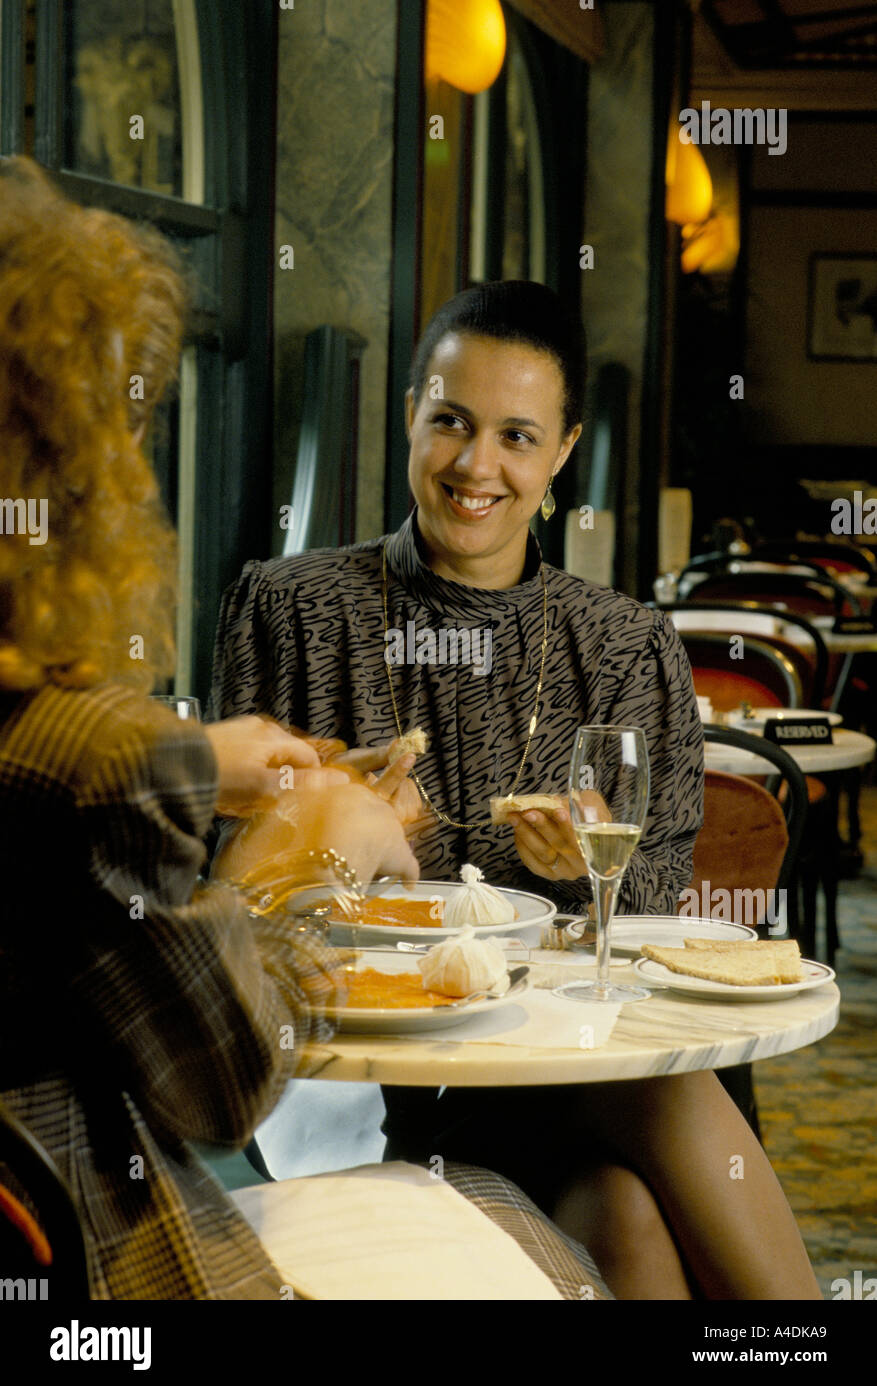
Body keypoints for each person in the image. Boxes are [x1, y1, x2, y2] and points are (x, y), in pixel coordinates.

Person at [0, 160, 611, 1301]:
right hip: (119, 1272)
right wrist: (311, 844)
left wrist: (194, 765)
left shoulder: (74, 744)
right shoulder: (109, 744)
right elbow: (226, 1084)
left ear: (561, 453)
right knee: (542, 1242)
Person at [210, 279, 822, 1299]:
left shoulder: (624, 642)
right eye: (449, 421)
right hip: (358, 1065)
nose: (475, 465)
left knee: (631, 1190)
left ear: (564, 451)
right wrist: (322, 825)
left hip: (552, 1073)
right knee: (639, 1174)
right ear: (410, 413)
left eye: (517, 436)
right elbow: (220, 892)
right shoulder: (289, 608)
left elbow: (655, 910)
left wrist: (586, 877)